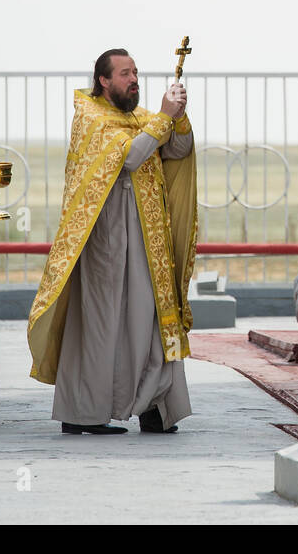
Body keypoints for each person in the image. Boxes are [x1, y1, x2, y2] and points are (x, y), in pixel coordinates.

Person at [27, 49, 197, 435]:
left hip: (147, 243)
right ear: (104, 81)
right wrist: (164, 118)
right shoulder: (91, 116)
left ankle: (155, 407)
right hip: (106, 241)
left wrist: (178, 116)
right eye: (124, 73)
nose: (133, 79)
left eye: (135, 72)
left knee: (152, 319)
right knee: (101, 324)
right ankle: (82, 412)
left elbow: (178, 150)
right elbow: (131, 157)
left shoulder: (138, 117)